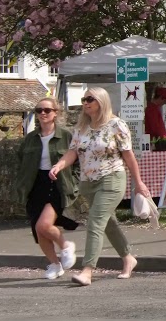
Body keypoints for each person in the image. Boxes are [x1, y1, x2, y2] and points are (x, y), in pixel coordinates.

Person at [48, 87, 149, 286]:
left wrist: (138, 183)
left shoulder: (116, 124)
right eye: (84, 99)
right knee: (108, 223)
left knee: (95, 222)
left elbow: (128, 155)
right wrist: (59, 165)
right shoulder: (81, 127)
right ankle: (128, 258)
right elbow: (73, 152)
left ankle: (87, 270)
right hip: (88, 183)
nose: (86, 103)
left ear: (101, 101)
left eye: (90, 99)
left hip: (112, 179)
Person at [17, 97, 78, 280]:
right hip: (35, 184)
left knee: (43, 225)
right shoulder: (30, 139)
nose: (43, 113)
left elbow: (77, 162)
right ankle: (55, 264)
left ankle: (66, 246)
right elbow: (20, 162)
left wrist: (74, 182)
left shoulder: (66, 136)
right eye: (39, 110)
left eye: (47, 110)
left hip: (58, 183)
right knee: (39, 230)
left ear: (55, 113)